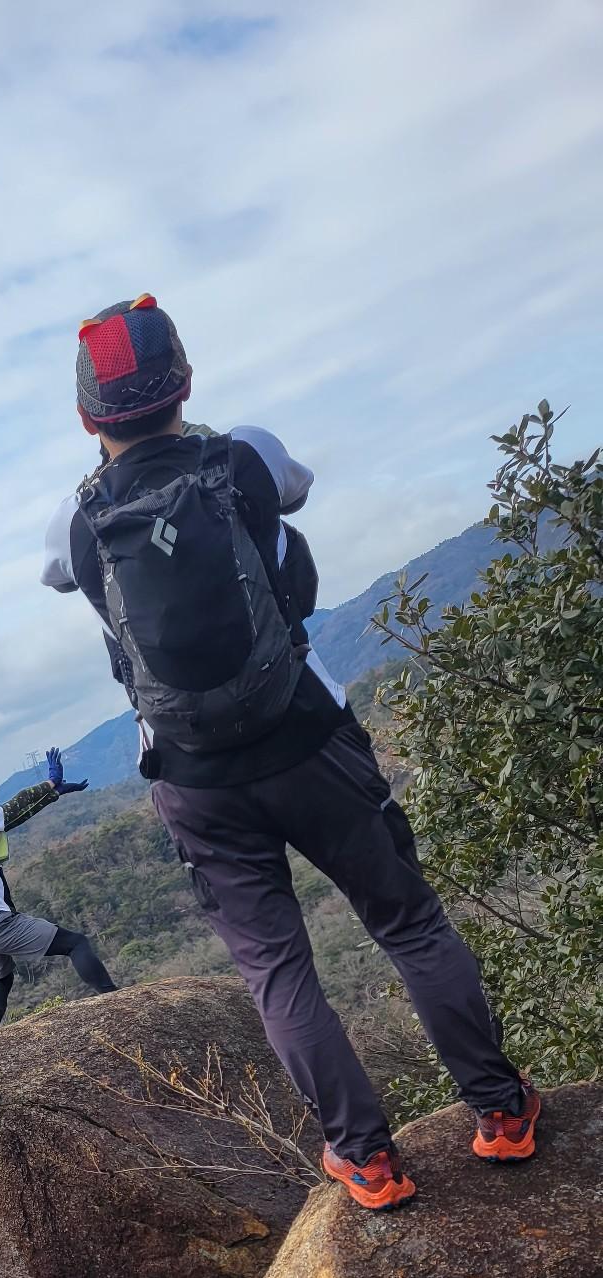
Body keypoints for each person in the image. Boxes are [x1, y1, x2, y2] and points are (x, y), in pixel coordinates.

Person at [41, 292, 538, 1208]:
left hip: (194, 780)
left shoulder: (74, 526)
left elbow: (61, 577)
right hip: (308, 737)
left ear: (85, 417)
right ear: (186, 381)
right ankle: (502, 1114)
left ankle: (367, 1161)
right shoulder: (245, 457)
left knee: (278, 972)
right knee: (410, 925)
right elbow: (295, 491)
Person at [0, 747, 118, 1031]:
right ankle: (117, 1003)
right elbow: (16, 807)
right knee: (75, 943)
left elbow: (14, 818)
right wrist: (51, 783)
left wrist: (53, 794)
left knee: (1, 980)